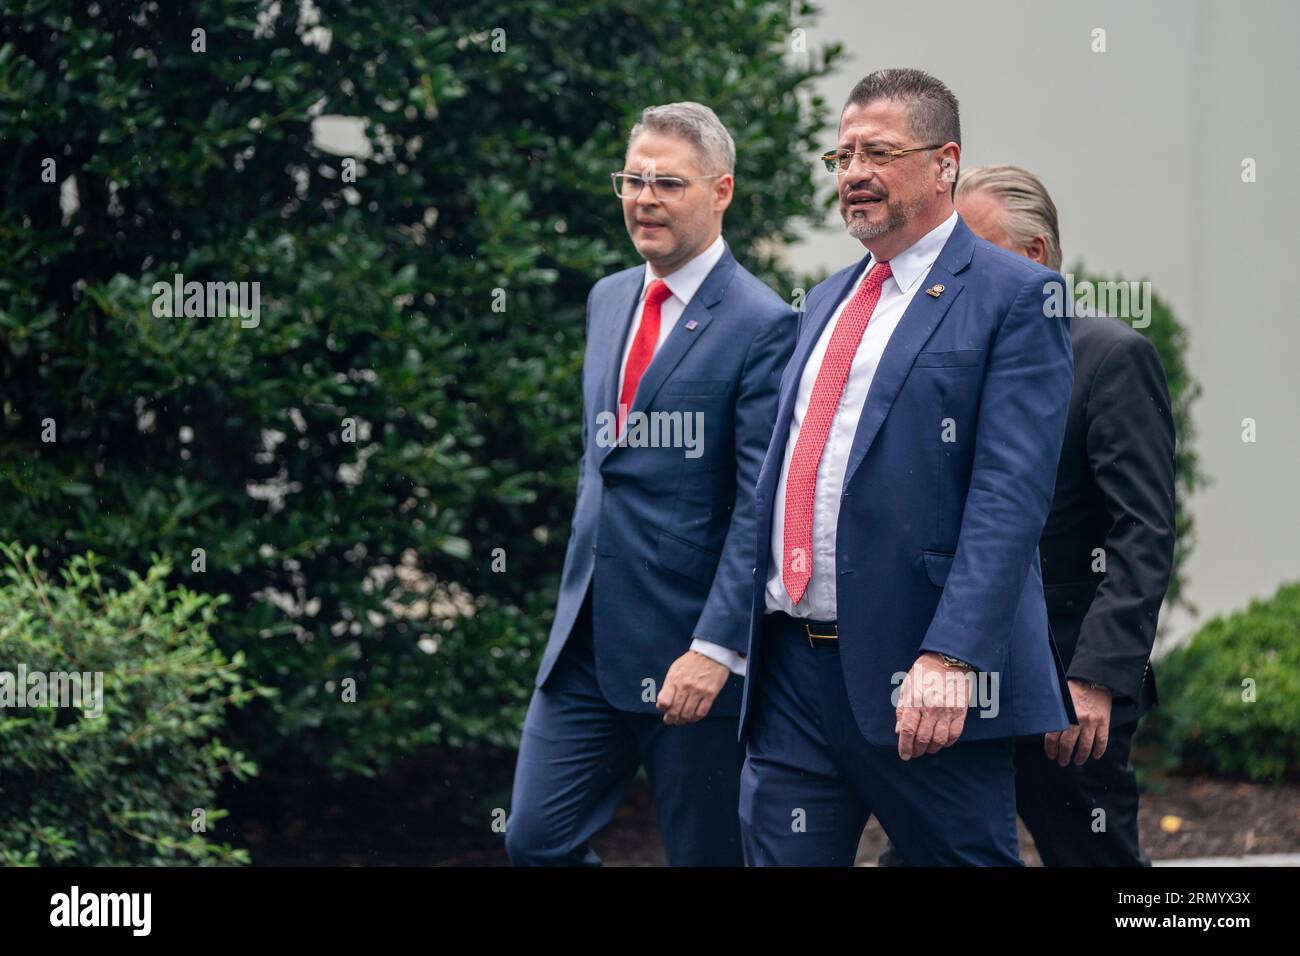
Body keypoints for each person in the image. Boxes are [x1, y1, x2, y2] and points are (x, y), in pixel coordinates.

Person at [738, 69, 1074, 866]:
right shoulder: (823, 301)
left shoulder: (1017, 297)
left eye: (879, 152)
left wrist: (952, 654)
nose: (854, 172)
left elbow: (1009, 495)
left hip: (920, 678)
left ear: (945, 161)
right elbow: (784, 475)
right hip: (791, 669)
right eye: (843, 154)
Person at [506, 102, 796, 866]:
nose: (645, 199)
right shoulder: (607, 299)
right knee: (534, 842)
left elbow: (758, 502)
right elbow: (601, 466)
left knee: (708, 857)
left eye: (668, 182)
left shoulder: (762, 322)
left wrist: (717, 644)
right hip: (585, 640)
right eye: (633, 180)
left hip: (689, 653)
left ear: (721, 190)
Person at [879, 164, 1174, 866]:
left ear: (1034, 254)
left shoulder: (1109, 356)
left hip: (1067, 691)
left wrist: (1096, 677)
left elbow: (1143, 532)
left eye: (972, 251)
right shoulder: (952, 357)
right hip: (959, 678)